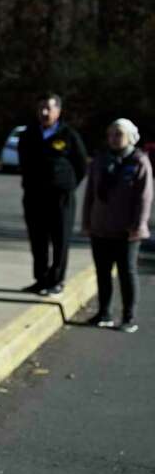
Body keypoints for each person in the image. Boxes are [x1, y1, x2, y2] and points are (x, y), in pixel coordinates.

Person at [83, 119, 151, 332]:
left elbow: (145, 197)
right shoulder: (100, 160)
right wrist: (87, 221)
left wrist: (138, 225)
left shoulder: (139, 161)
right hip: (101, 228)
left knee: (126, 273)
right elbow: (90, 194)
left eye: (118, 134)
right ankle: (104, 313)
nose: (114, 138)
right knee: (103, 273)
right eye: (111, 134)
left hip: (127, 231)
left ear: (130, 137)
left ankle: (128, 317)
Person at [18, 92, 88, 296]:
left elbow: (81, 165)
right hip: (34, 196)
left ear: (58, 110)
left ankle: (56, 280)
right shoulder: (29, 134)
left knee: (60, 239)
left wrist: (67, 184)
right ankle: (40, 278)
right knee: (37, 239)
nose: (44, 112)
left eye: (49, 108)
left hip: (60, 198)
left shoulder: (69, 135)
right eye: (41, 108)